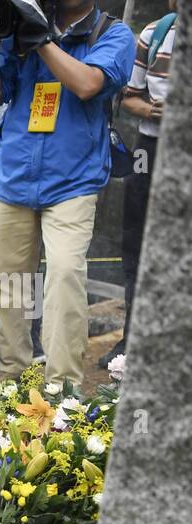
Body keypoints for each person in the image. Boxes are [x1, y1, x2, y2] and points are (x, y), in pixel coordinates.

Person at [0, 0, 135, 390]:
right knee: (7, 283)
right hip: (12, 177)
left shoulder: (113, 34)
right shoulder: (20, 28)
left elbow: (88, 84)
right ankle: (11, 382)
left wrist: (41, 38)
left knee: (63, 276)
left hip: (73, 182)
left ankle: (62, 390)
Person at [103, 1, 178, 368]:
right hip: (151, 149)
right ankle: (130, 342)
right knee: (136, 246)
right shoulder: (155, 32)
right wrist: (152, 110)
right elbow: (129, 96)